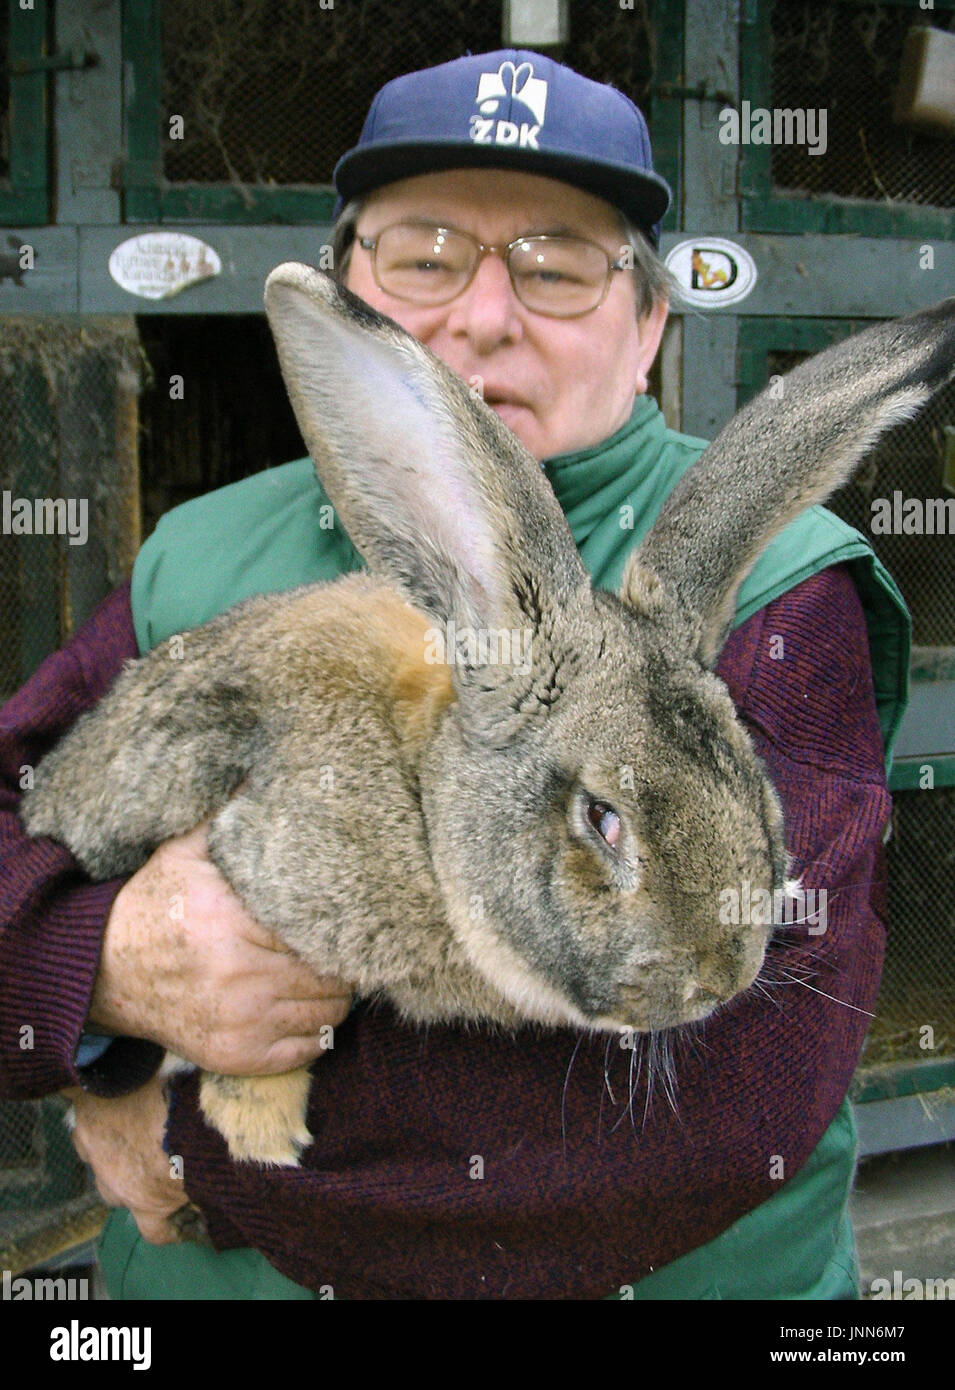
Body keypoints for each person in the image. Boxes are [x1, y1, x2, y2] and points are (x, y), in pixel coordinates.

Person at [0, 49, 908, 1300]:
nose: (484, 315)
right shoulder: (201, 554)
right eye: (424, 256)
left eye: (557, 262)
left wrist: (172, 1131)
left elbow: (714, 1093)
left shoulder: (781, 594)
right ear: (349, 298)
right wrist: (94, 981)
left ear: (648, 323)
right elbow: (22, 824)